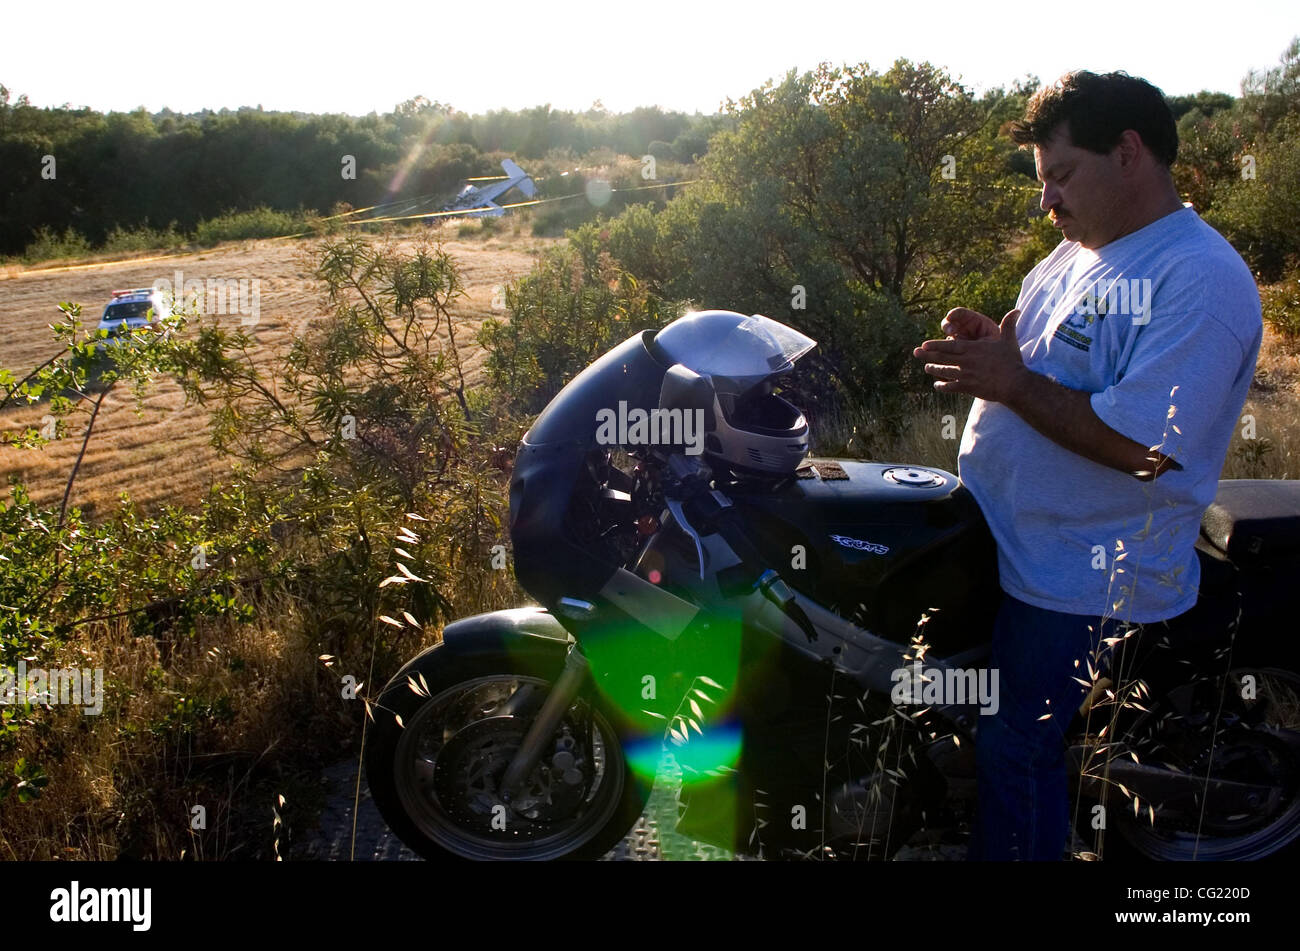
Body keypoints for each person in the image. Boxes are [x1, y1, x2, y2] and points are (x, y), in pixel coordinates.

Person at [912, 71, 1263, 860]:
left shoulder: (1198, 279)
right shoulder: (1083, 252)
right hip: (1020, 543)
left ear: (1129, 152)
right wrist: (1001, 353)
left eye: (1061, 177)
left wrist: (1012, 381)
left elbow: (1147, 445)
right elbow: (1049, 368)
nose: (1047, 203)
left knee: (1016, 747)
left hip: (1082, 573)